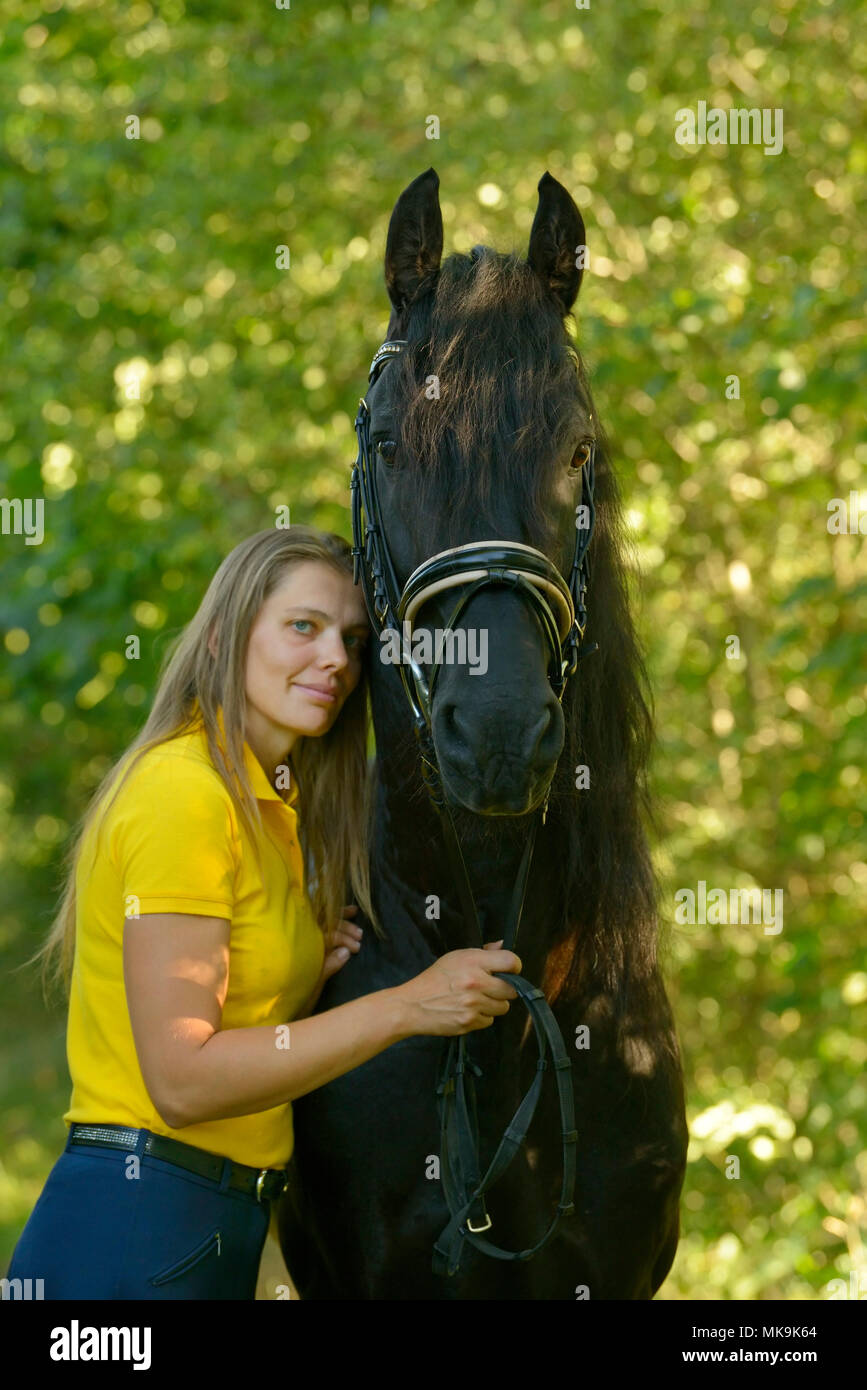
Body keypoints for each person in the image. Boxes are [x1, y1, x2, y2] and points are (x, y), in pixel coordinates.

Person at [6, 525, 520, 1300]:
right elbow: (183, 1081)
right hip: (137, 1225)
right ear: (221, 636)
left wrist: (298, 974)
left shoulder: (267, 807)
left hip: (209, 1227)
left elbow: (235, 1028)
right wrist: (408, 1006)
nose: (337, 660)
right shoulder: (185, 794)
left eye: (351, 638)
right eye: (302, 627)